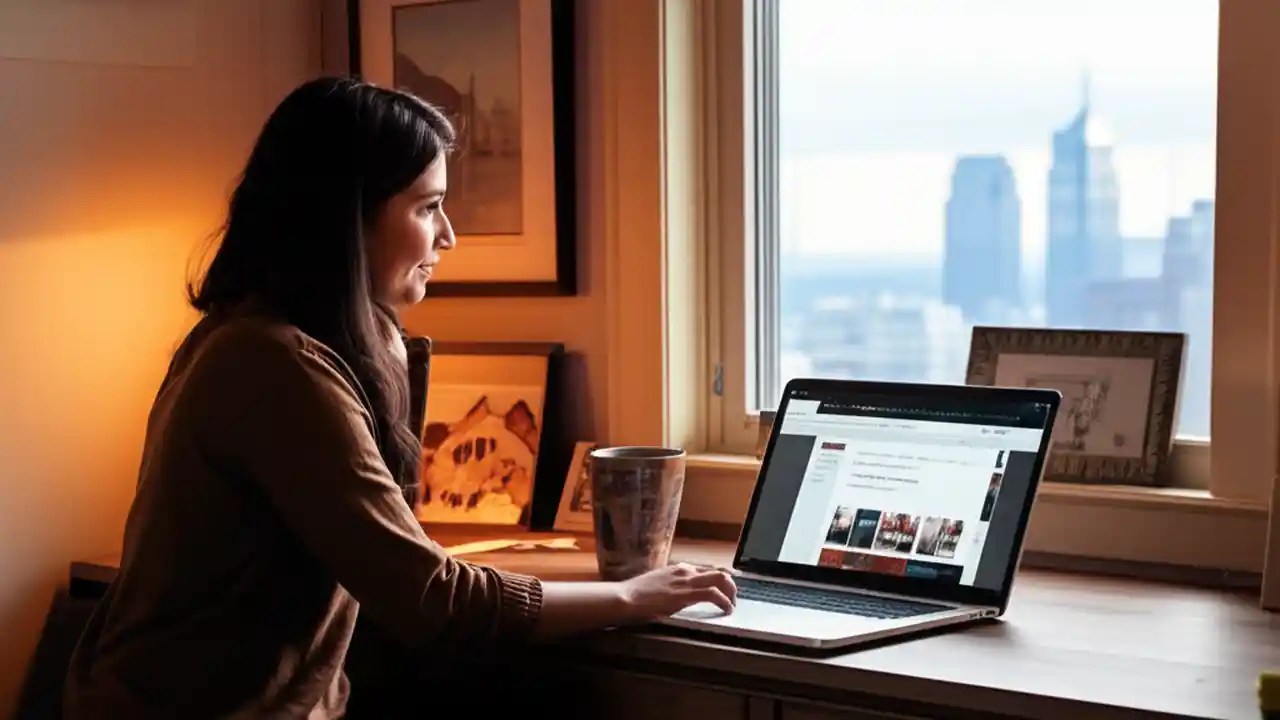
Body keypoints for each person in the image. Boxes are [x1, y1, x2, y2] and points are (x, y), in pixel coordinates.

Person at [62, 76, 736, 719]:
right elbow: (432, 599)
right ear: (344, 219)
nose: (448, 237)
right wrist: (626, 595)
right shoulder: (271, 365)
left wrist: (384, 339)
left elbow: (396, 547)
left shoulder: (267, 340)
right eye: (428, 207)